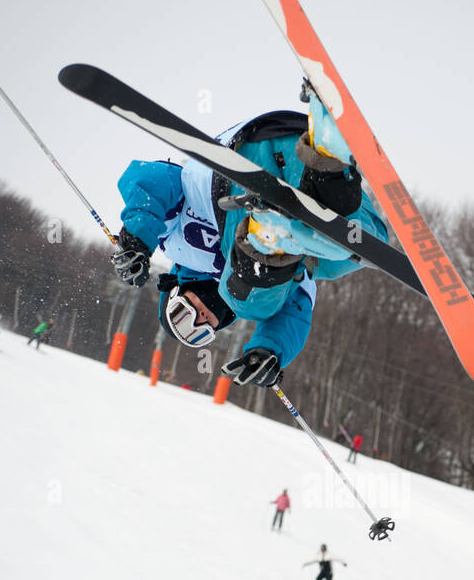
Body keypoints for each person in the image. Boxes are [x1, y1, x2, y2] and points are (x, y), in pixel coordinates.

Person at [110, 87, 388, 387]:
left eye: (182, 315)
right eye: (200, 334)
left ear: (173, 293)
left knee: (250, 304)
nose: (200, 320)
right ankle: (329, 155)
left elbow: (151, 179)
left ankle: (269, 236)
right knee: (351, 252)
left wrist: (137, 238)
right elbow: (297, 308)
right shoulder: (262, 291)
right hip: (298, 152)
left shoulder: (174, 243)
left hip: (245, 166)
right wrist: (269, 350)